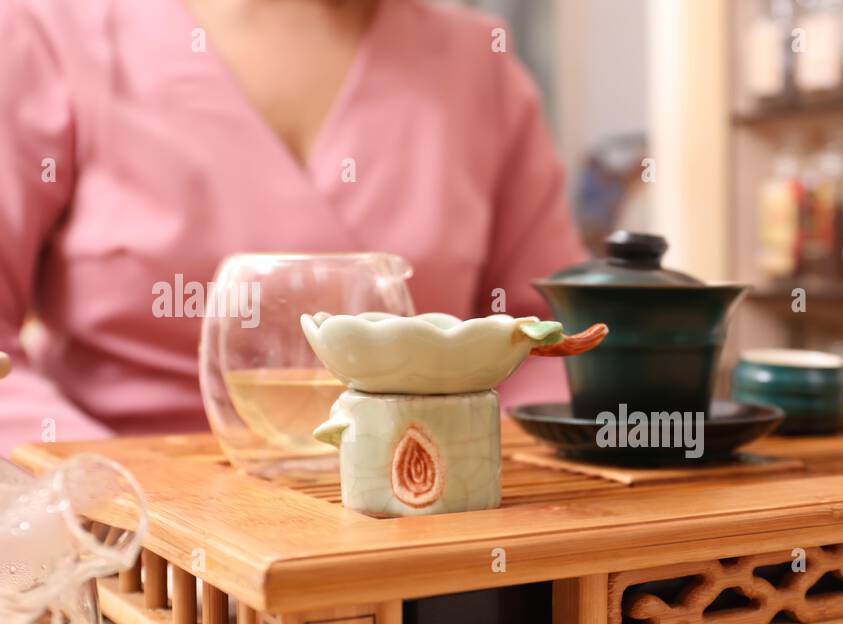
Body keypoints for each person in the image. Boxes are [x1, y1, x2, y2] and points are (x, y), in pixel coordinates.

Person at [0, 0, 586, 452]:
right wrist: (109, 501)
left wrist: (484, 485)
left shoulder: (480, 65)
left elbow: (548, 344)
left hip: (422, 535)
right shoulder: (47, 31)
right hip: (119, 556)